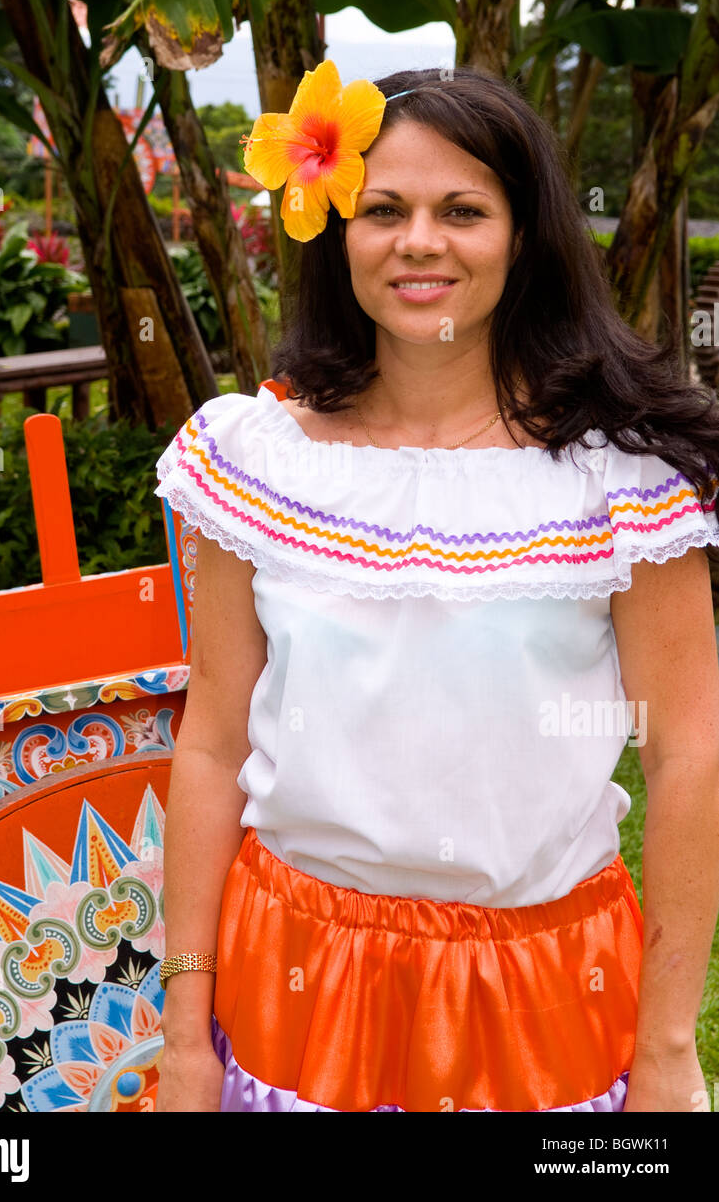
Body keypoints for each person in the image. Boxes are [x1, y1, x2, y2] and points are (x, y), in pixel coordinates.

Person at [152, 60, 719, 1113]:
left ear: (523, 235)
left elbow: (685, 756)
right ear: (336, 231)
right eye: (383, 210)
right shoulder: (257, 460)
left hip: (542, 991)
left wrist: (669, 1046)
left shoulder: (619, 480)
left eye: (462, 209)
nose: (419, 242)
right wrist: (185, 1030)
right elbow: (213, 740)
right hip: (292, 978)